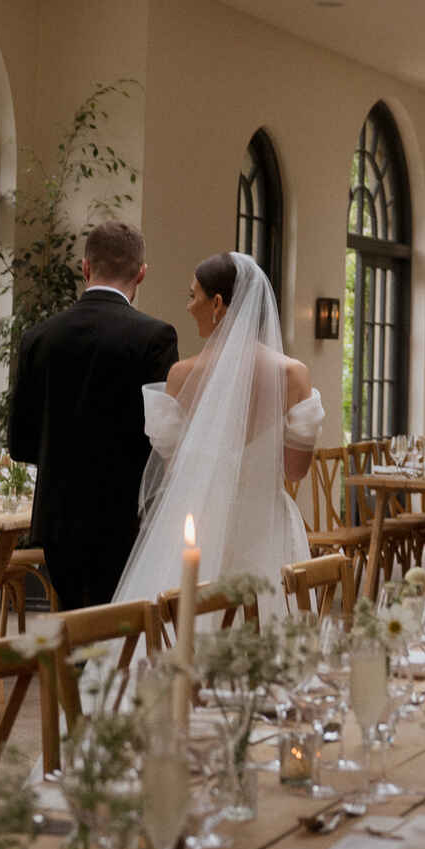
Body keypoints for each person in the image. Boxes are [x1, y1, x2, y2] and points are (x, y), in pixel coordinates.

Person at [113, 251, 323, 609]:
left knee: (188, 630)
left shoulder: (183, 375)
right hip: (267, 529)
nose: (189, 306)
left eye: (193, 296)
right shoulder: (293, 375)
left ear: (219, 304)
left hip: (200, 529)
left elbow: (177, 468)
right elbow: (295, 470)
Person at [9, 221, 179, 612]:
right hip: (123, 517)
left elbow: (21, 443)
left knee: (73, 626)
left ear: (85, 268)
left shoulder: (39, 336)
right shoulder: (155, 337)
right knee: (116, 632)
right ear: (141, 273)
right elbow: (160, 438)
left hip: (58, 517)